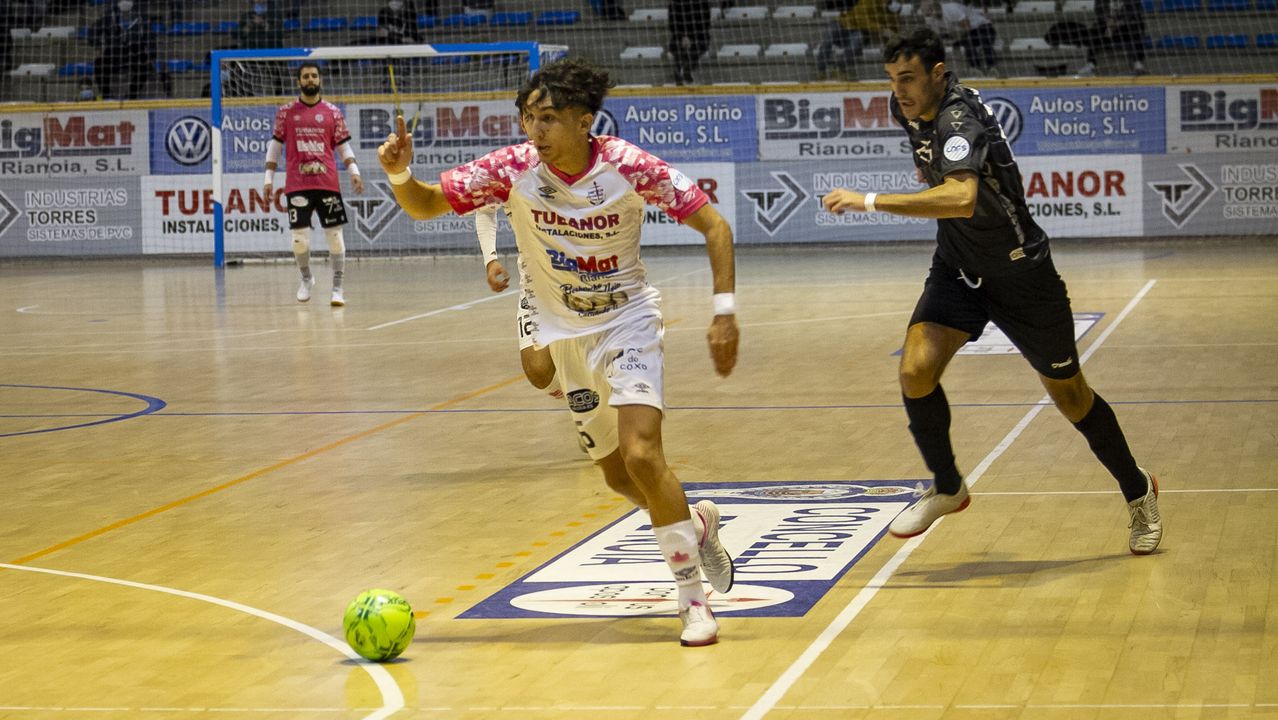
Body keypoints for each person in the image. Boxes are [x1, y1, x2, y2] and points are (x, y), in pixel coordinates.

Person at [378, 58, 741, 645]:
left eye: (547, 119)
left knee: (643, 455)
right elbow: (424, 204)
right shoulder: (512, 168)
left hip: (628, 322)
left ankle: (692, 600)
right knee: (619, 478)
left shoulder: (630, 166)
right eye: (528, 118)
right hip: (562, 334)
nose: (535, 131)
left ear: (583, 120)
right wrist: (400, 175)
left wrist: (724, 314)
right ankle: (696, 522)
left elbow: (715, 226)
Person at [820, 29, 1162, 555]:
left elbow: (960, 197)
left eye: (908, 78)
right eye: (892, 79)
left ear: (938, 73)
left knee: (1071, 397)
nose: (899, 90)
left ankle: (1138, 490)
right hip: (957, 266)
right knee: (915, 370)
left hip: (1021, 274)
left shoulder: (959, 117)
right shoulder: (906, 108)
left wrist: (867, 200)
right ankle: (949, 486)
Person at [263, 62, 365, 307]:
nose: (310, 79)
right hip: (298, 184)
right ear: (299, 81)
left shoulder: (332, 112)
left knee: (335, 236)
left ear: (320, 79)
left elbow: (343, 146)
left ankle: (338, 288)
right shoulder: (286, 112)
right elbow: (275, 146)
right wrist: (268, 178)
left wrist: (354, 171)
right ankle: (306, 278)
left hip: (327, 182)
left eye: (314, 76)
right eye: (306, 76)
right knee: (299, 238)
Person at [88, 0, 159, 99]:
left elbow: (150, 37)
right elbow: (93, 31)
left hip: (135, 51)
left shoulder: (142, 17)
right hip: (114, 52)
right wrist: (97, 44)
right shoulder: (109, 16)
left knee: (146, 67)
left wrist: (151, 54)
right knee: (99, 64)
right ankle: (106, 95)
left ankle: (132, 94)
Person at [814, 0, 898, 81]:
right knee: (828, 38)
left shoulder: (890, 14)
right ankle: (821, 70)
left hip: (857, 31)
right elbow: (861, 19)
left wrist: (887, 40)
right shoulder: (870, 1)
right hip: (843, 23)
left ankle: (839, 68)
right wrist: (880, 29)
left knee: (857, 42)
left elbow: (892, 30)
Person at [921, 0, 997, 76]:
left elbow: (967, 28)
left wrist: (954, 39)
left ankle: (992, 67)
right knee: (966, 42)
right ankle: (975, 69)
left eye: (928, 10)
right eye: (924, 11)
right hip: (961, 33)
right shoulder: (930, 18)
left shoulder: (952, 9)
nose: (927, 14)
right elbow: (937, 35)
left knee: (976, 40)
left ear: (934, 8)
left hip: (982, 27)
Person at [1076, 0, 1147, 76]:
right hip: (1107, 27)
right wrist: (1107, 22)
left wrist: (1118, 23)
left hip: (1125, 29)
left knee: (1136, 24)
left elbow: (1134, 12)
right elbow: (1098, 11)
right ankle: (1090, 64)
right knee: (1095, 28)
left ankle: (1137, 62)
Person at [668, 0, 711, 85]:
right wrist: (683, 37)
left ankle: (685, 69)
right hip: (680, 37)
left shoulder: (703, 3)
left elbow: (706, 23)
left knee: (696, 48)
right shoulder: (674, 4)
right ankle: (682, 70)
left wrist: (689, 38)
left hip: (698, 36)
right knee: (678, 48)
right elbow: (672, 25)